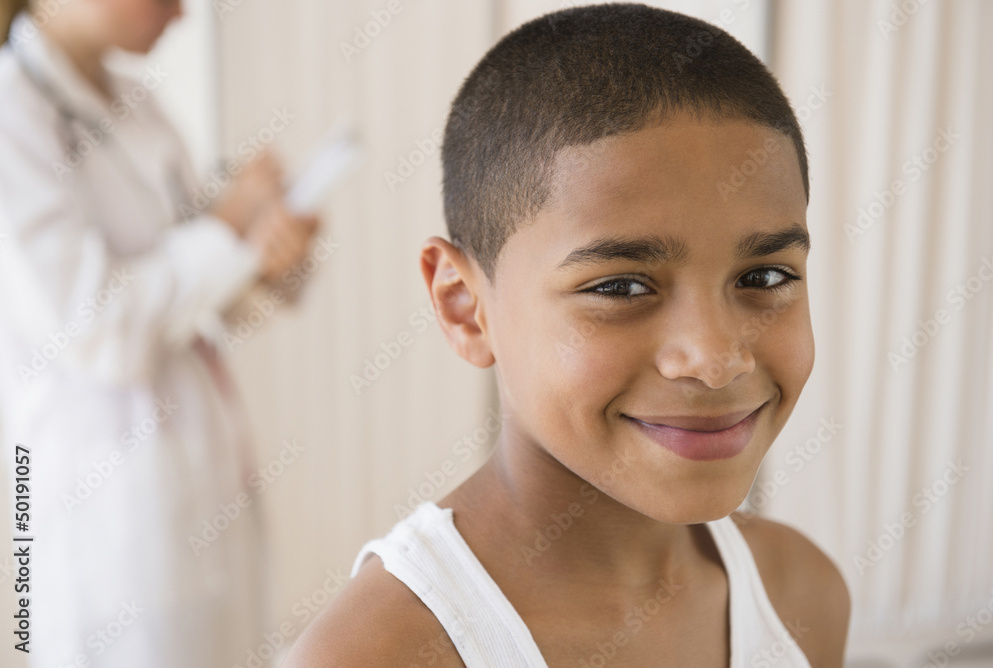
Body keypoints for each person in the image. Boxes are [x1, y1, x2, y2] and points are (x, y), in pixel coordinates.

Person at [283, 4, 849, 667]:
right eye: (622, 287)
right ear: (465, 307)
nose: (715, 360)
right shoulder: (379, 654)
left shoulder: (801, 594)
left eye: (764, 276)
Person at [0, 0, 319, 666]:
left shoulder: (136, 101)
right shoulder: (10, 112)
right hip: (108, 529)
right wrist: (228, 230)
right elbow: (96, 330)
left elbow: (193, 292)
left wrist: (265, 254)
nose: (182, 13)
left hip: (202, 494)